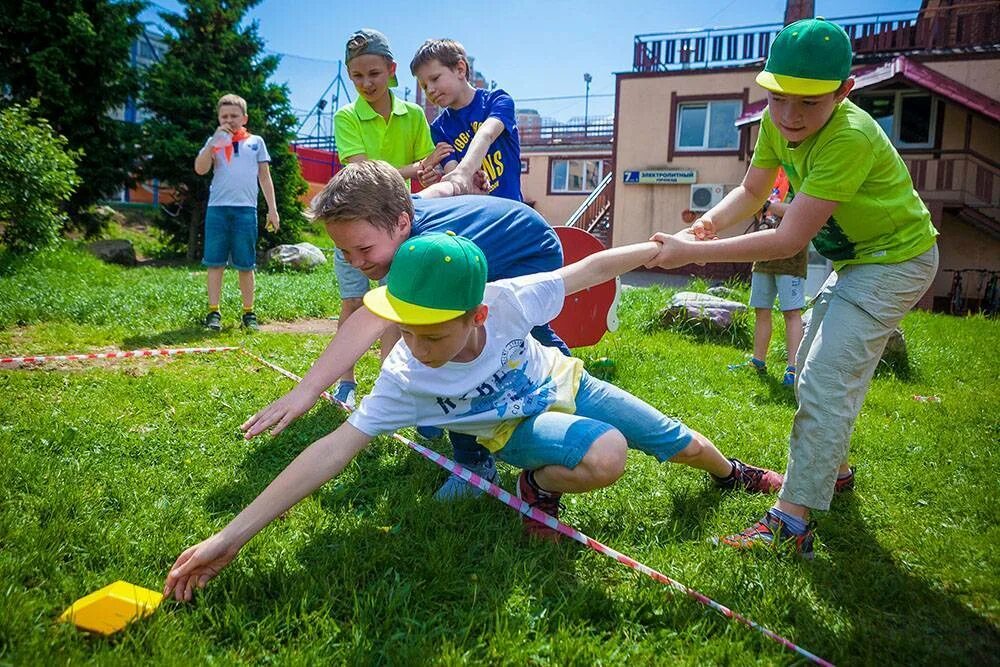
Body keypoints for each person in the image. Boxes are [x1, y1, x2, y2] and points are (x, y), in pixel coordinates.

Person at [163, 232, 784, 602]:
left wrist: (662, 250)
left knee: (679, 442)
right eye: (404, 328)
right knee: (608, 454)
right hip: (514, 429)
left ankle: (732, 474)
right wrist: (228, 539)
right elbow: (330, 452)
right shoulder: (405, 379)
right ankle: (535, 484)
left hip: (566, 382)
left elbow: (590, 269)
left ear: (476, 315)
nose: (412, 345)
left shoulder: (508, 301)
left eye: (431, 334)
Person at [646, 18, 939, 558]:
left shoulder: (848, 137)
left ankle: (791, 522)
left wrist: (695, 254)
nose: (789, 115)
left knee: (826, 378)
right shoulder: (778, 122)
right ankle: (836, 472)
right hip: (857, 259)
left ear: (844, 91)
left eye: (808, 102)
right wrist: (703, 226)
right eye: (779, 98)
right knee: (806, 364)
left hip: (897, 261)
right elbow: (753, 190)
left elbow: (787, 240)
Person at [242, 160, 571, 500]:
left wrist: (307, 390)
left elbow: (370, 319)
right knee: (451, 344)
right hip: (507, 237)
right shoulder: (398, 220)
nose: (356, 262)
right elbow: (437, 193)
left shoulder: (426, 249)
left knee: (464, 347)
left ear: (402, 224)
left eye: (364, 249)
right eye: (344, 252)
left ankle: (476, 461)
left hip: (528, 252)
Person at [330, 29, 452, 409]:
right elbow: (363, 172)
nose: (366, 83)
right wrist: (416, 167)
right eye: (357, 76)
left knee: (394, 307)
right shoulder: (346, 117)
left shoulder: (414, 115)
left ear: (391, 70)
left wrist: (429, 172)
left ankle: (388, 385)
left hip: (398, 229)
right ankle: (346, 381)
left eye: (374, 74)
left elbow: (427, 167)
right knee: (353, 304)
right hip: (354, 226)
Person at [194, 93, 279, 332]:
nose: (229, 120)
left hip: (245, 210)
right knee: (215, 263)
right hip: (217, 210)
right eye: (224, 116)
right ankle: (213, 312)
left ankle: (248, 313)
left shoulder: (256, 142)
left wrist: (272, 209)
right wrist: (213, 142)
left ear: (244, 117)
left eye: (234, 115)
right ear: (219, 118)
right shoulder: (215, 142)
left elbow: (265, 176)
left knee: (246, 264)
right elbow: (200, 169)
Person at [410, 39, 522, 200]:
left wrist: (463, 173)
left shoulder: (498, 101)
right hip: (473, 214)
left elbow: (486, 134)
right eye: (424, 86)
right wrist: (442, 181)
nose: (430, 90)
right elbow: (454, 177)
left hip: (510, 212)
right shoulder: (439, 129)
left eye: (434, 79)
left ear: (460, 69)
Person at [728, 170, 805, 386]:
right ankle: (758, 361)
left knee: (791, 312)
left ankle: (793, 369)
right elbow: (758, 213)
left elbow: (798, 212)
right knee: (761, 310)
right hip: (762, 257)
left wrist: (767, 205)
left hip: (791, 258)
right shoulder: (769, 181)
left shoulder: (800, 180)